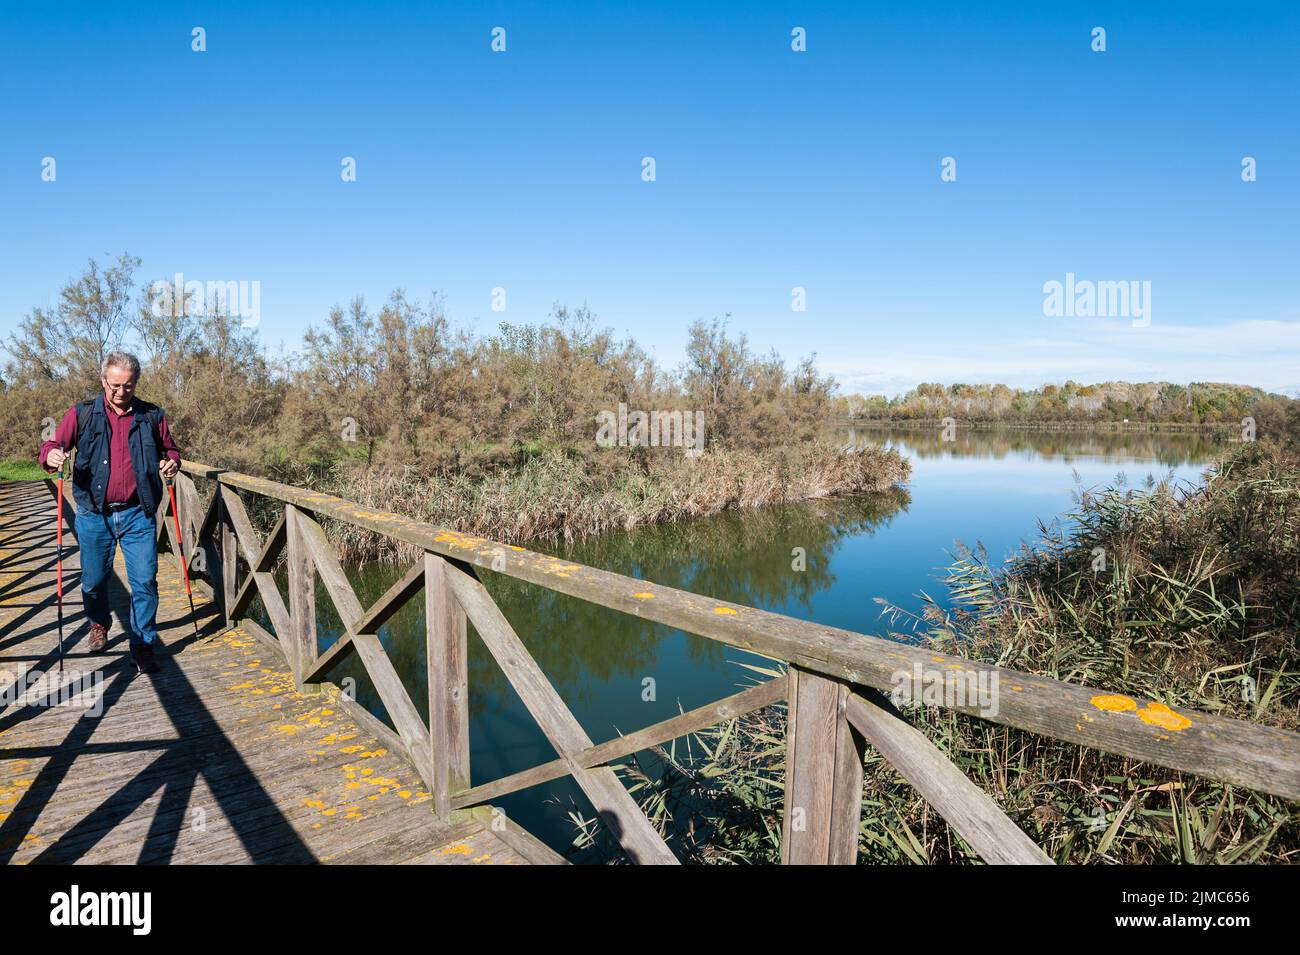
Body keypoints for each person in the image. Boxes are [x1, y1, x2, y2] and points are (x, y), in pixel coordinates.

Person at [39, 351, 182, 674]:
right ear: (104, 380)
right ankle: (99, 624)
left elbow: (171, 450)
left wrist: (172, 461)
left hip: (138, 514)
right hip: (93, 514)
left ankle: (143, 645)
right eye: (114, 385)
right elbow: (52, 446)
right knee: (93, 581)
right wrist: (51, 457)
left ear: (136, 383)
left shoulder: (152, 416)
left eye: (128, 386)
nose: (120, 392)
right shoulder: (83, 414)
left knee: (145, 582)